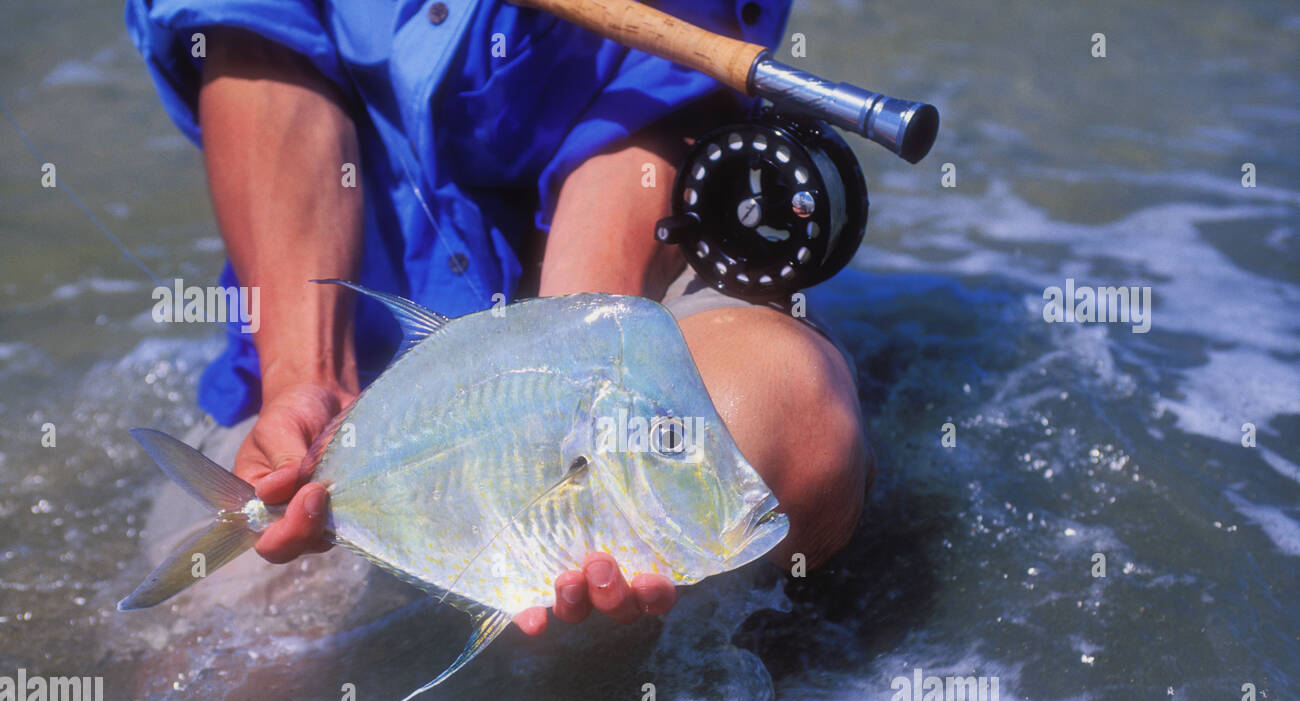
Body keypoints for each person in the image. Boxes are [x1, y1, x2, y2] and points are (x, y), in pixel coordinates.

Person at [125, 0, 871, 638]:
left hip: (616, 294)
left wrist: (551, 403)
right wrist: (306, 377)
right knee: (216, 661)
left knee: (798, 426)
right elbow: (257, 39)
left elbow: (649, 101)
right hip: (349, 342)